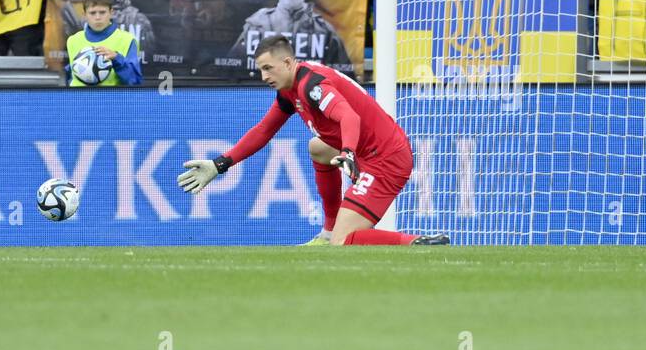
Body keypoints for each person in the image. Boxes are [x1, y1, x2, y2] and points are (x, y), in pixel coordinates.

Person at [177, 32, 451, 246]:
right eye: (260, 70)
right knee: (318, 148)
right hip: (367, 151)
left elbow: (349, 118)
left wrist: (348, 152)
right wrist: (219, 164)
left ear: (287, 62)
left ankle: (415, 243)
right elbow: (264, 131)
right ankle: (327, 229)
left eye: (268, 68)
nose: (264, 76)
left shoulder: (312, 86)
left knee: (343, 242)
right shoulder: (289, 90)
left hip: (385, 157)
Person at [229, 0, 348, 67]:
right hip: (263, 88)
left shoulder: (323, 29)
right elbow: (234, 67)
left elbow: (342, 73)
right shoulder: (257, 24)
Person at [66, 0, 143, 86]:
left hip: (110, 100)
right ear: (84, 14)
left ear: (111, 13)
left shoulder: (127, 40)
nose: (98, 17)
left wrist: (116, 59)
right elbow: (70, 76)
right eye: (92, 13)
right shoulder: (73, 41)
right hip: (78, 99)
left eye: (102, 12)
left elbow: (135, 81)